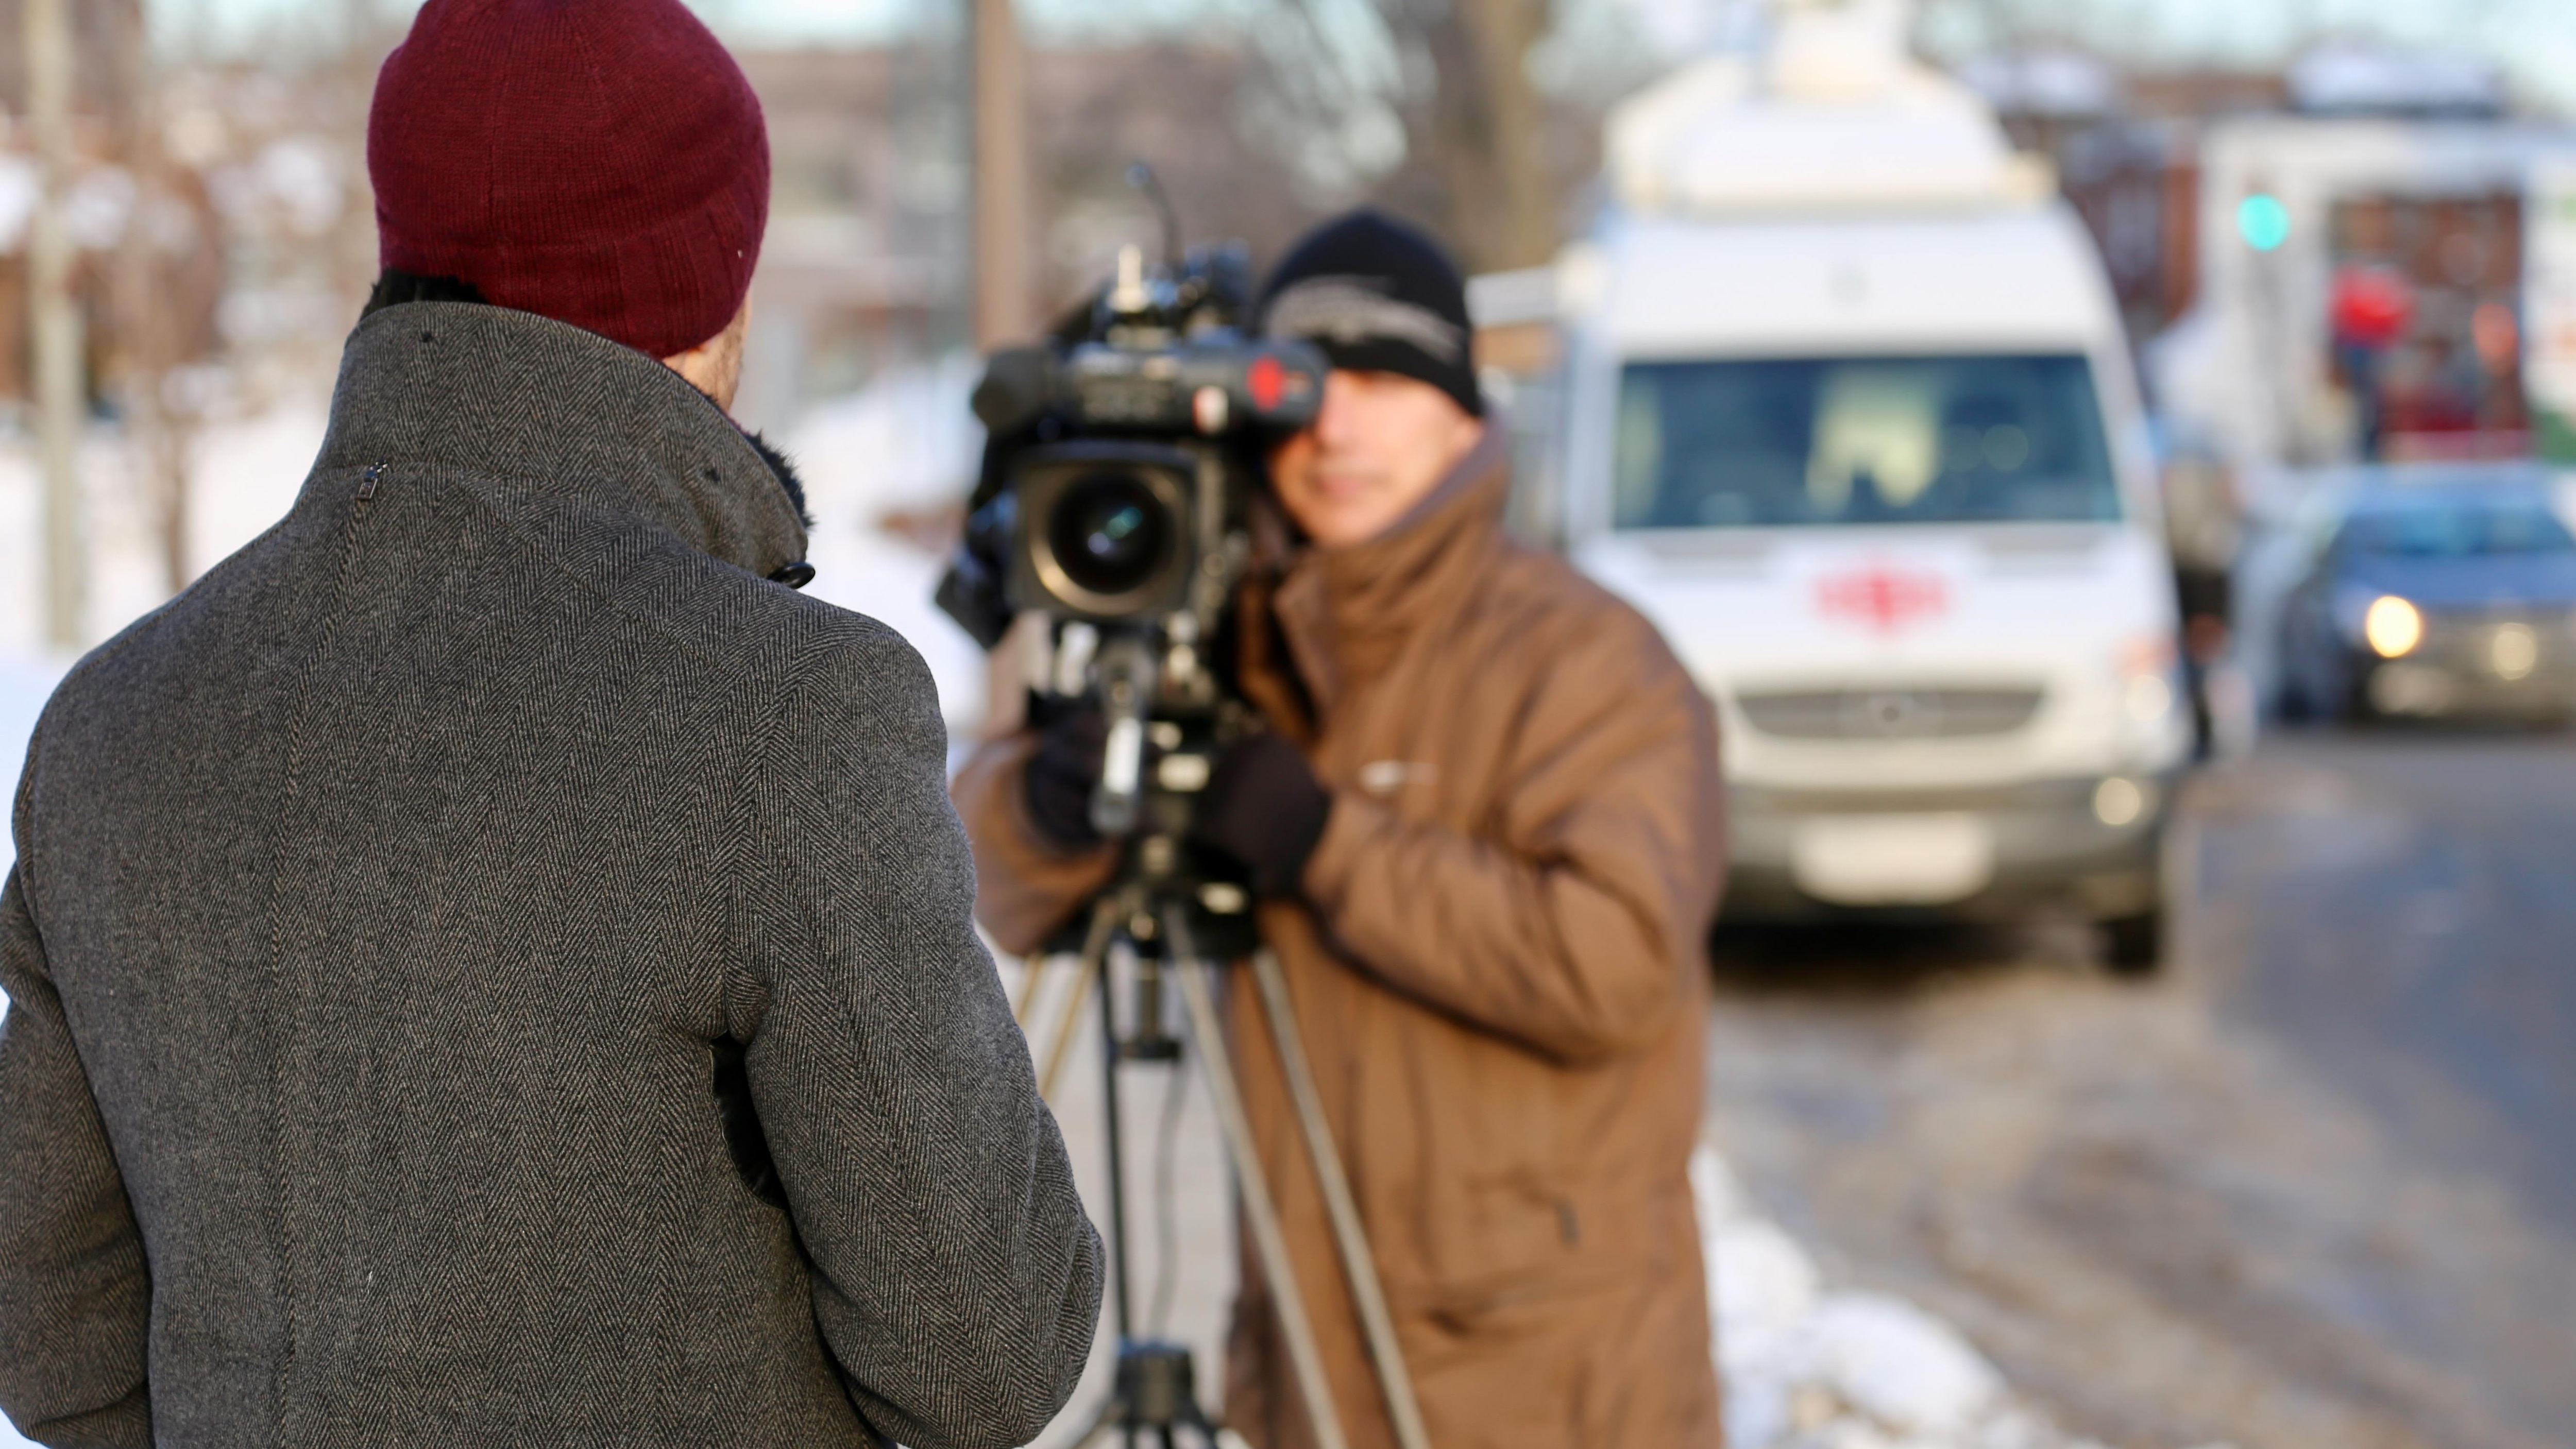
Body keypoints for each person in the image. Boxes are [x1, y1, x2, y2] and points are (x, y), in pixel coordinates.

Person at [0, 2, 1100, 1445]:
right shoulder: (785, 718)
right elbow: (982, 1356)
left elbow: (51, 1320)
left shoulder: (108, 724)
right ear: (715, 301)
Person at [954, 210, 1728, 1447]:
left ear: (1466, 410)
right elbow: (995, 888)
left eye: (1382, 382)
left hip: (1551, 1379)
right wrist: (1055, 799)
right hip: (1306, 1363)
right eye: (1307, 385)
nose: (1336, 425)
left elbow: (1616, 965)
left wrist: (1325, 841)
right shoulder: (1234, 633)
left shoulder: (1589, 662)